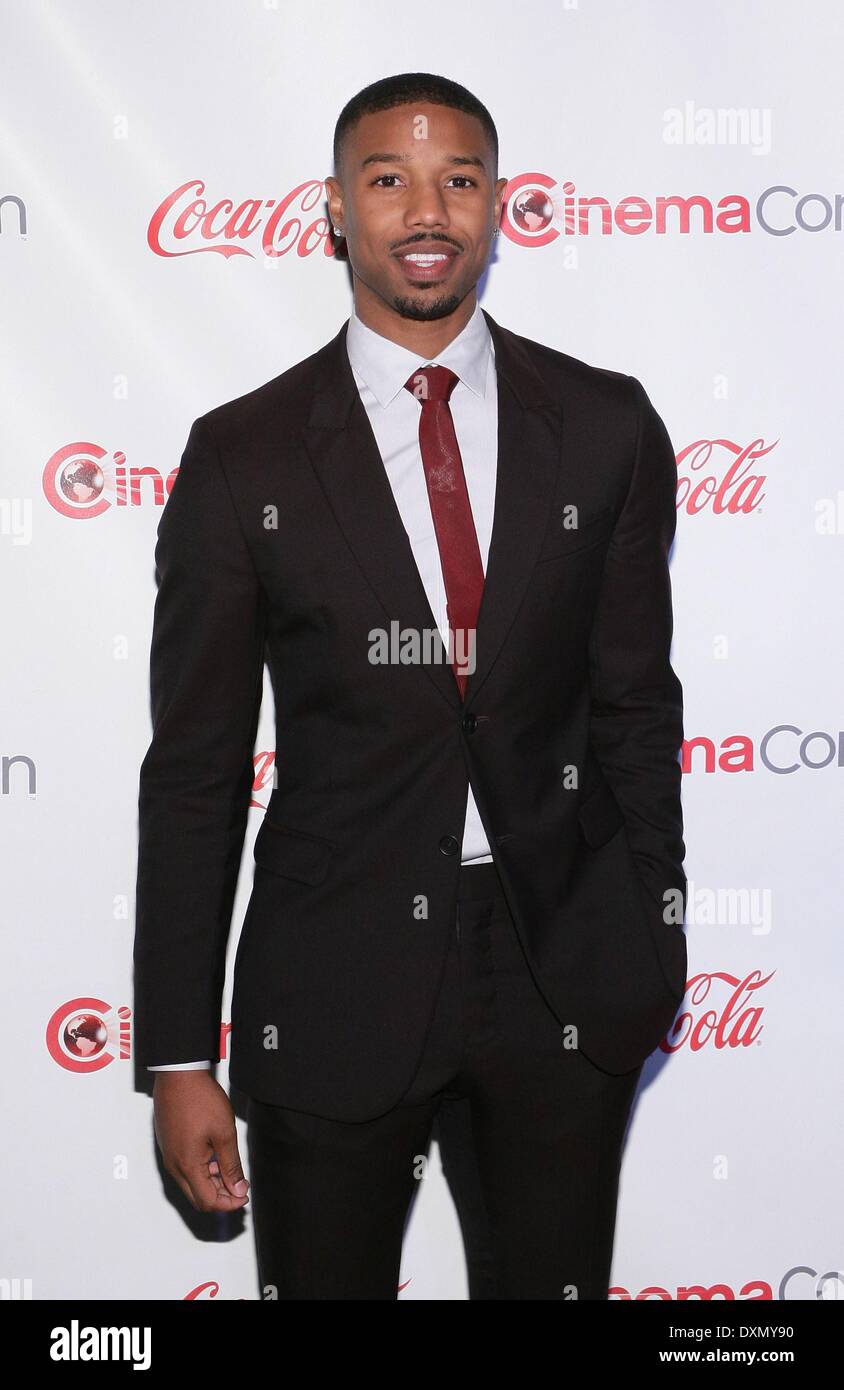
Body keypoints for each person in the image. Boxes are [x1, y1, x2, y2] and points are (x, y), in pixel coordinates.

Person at [134, 71, 688, 1300]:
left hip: (560, 973)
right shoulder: (246, 454)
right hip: (328, 977)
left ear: (499, 205)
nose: (425, 209)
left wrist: (650, 924)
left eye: (458, 179)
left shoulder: (604, 426)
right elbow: (195, 771)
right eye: (387, 180)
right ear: (335, 210)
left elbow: (638, 705)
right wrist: (177, 1055)